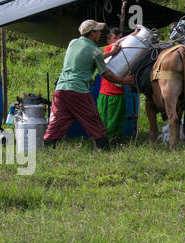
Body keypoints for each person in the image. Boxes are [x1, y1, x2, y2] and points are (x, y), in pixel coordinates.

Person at [43, 20, 134, 150]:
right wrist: (123, 81)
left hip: (61, 89)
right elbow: (106, 74)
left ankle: (46, 147)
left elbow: (93, 57)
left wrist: (111, 53)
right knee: (93, 120)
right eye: (97, 31)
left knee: (59, 121)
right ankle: (104, 149)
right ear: (92, 33)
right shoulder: (94, 50)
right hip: (78, 90)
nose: (99, 34)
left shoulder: (73, 43)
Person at [98, 26, 128, 143]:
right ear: (109, 41)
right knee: (107, 120)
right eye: (115, 38)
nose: (118, 41)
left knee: (117, 119)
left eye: (120, 38)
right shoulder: (109, 49)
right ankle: (104, 141)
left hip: (119, 92)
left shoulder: (121, 52)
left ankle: (114, 139)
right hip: (108, 93)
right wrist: (134, 34)